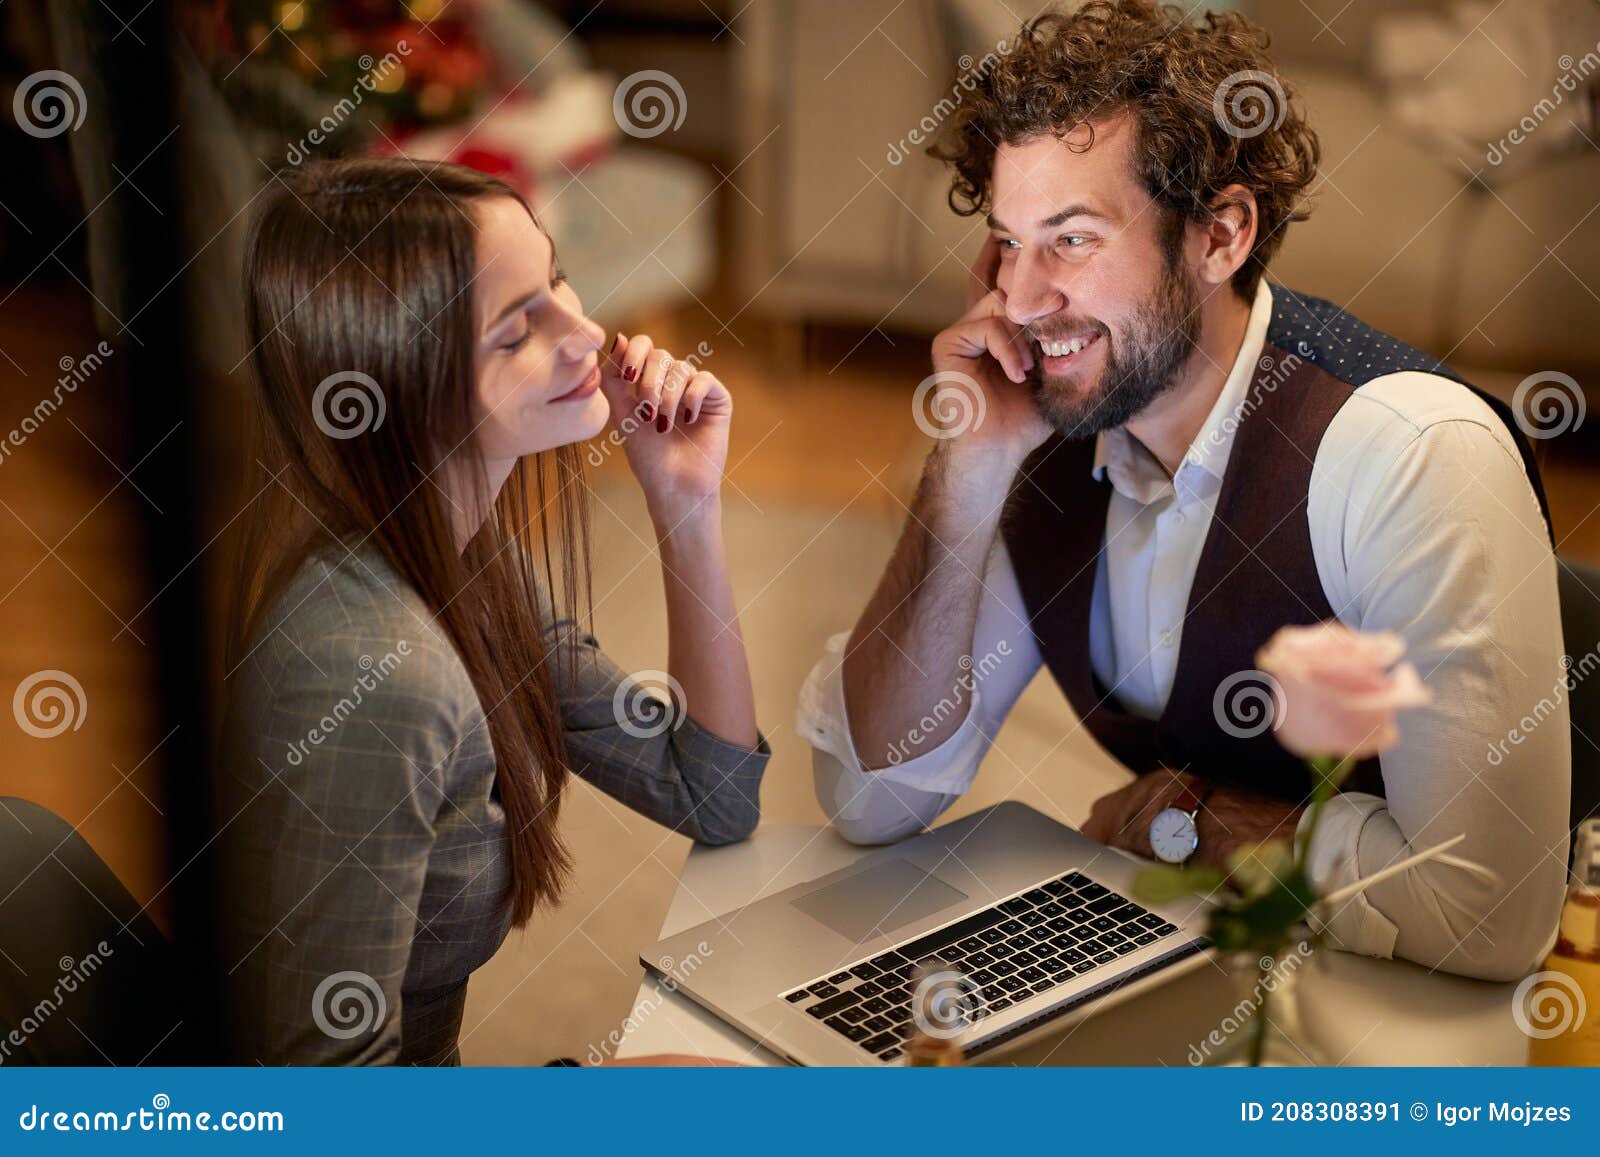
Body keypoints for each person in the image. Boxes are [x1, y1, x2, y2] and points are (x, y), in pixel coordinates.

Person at [800, 0, 1569, 981]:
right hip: (1220, 977)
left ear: (1220, 235)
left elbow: (1489, 914)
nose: (1022, 300)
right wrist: (966, 468)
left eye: (1071, 240)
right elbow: (870, 798)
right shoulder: (1050, 425)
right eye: (1008, 242)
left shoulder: (1409, 452)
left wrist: (1191, 822)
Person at [219, 156, 768, 1064]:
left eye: (555, 277)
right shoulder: (378, 672)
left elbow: (713, 794)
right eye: (519, 332)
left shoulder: (463, 554)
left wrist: (686, 505)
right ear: (402, 383)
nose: (588, 331)